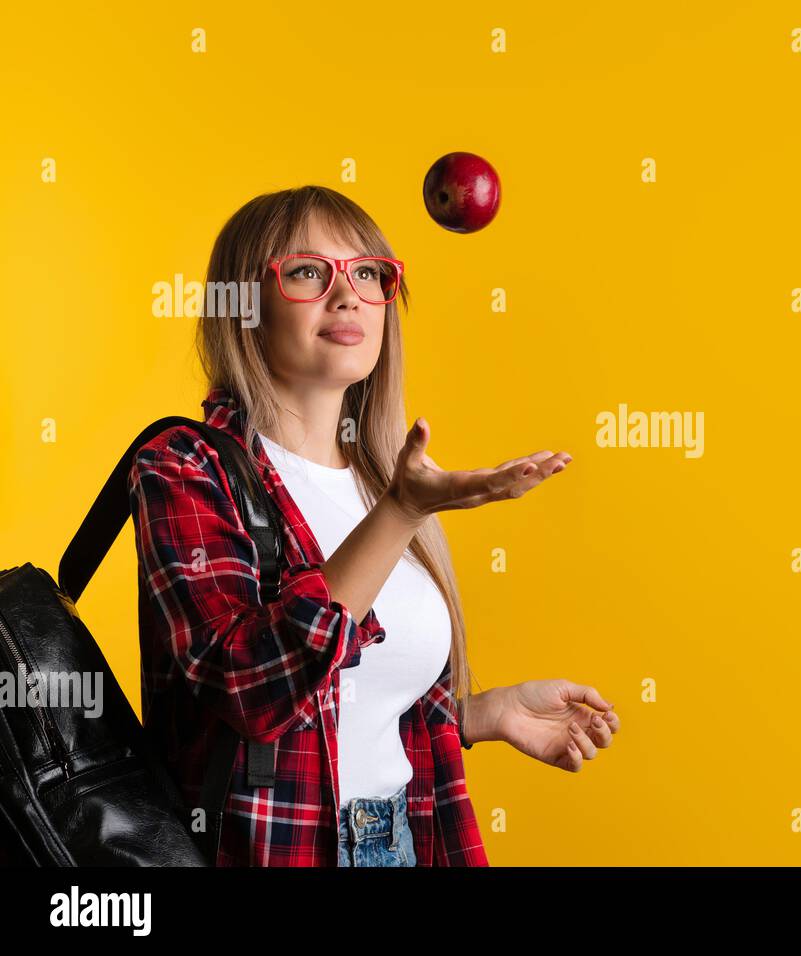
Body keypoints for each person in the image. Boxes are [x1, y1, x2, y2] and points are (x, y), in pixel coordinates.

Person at [127, 185, 619, 866]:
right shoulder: (188, 466)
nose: (348, 294)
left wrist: (482, 713)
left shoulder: (379, 477)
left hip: (402, 841)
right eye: (306, 272)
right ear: (243, 305)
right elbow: (245, 687)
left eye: (368, 273)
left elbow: (350, 709)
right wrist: (402, 512)